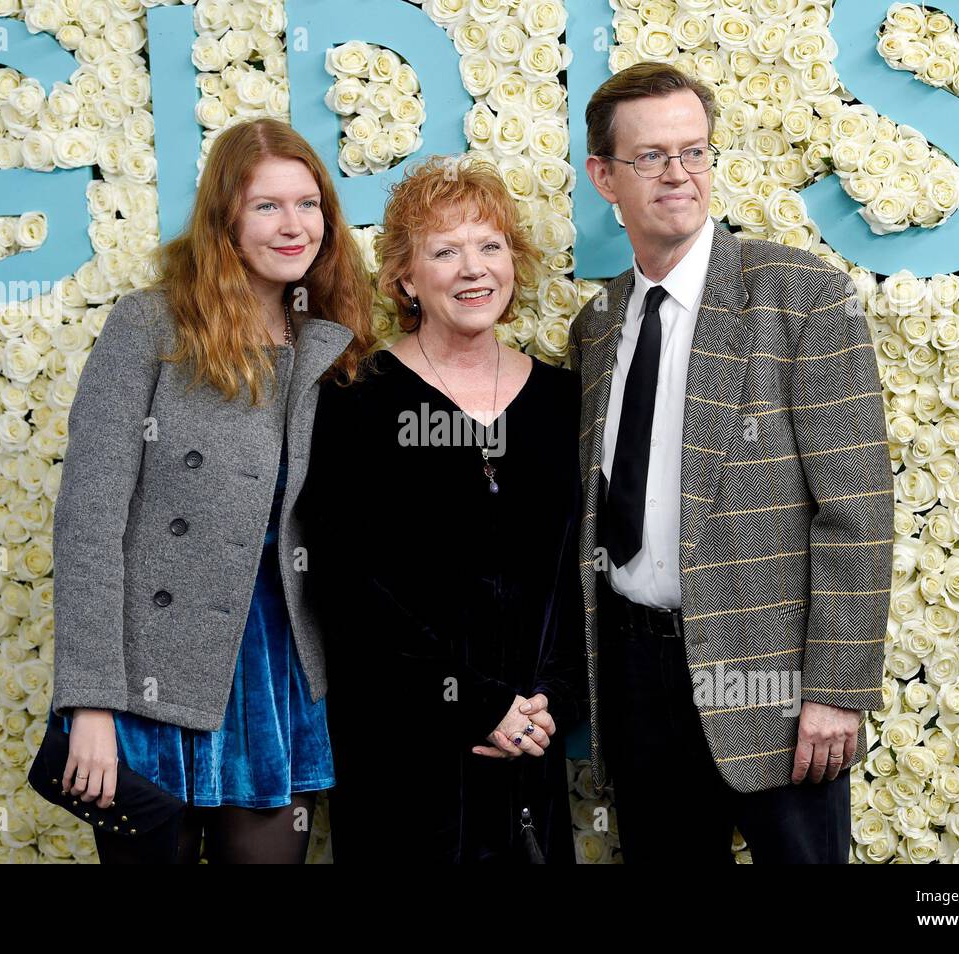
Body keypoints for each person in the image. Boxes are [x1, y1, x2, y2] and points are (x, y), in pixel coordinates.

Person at [569, 62, 894, 863]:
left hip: (778, 687)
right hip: (637, 674)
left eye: (695, 151)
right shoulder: (597, 325)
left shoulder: (801, 294)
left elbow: (857, 509)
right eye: (651, 157)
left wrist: (837, 690)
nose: (679, 174)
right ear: (603, 175)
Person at [48, 117, 374, 863]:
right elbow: (89, 522)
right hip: (147, 675)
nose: (294, 226)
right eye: (267, 206)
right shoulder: (149, 325)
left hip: (277, 668)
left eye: (308, 203)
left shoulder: (334, 339)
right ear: (225, 217)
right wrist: (90, 705)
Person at [299, 154, 584, 863]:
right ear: (404, 277)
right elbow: (342, 583)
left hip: (529, 749)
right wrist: (472, 706)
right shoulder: (354, 399)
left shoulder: (562, 402)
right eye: (445, 251)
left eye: (490, 246)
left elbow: (580, 573)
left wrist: (545, 703)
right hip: (403, 754)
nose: (473, 269)